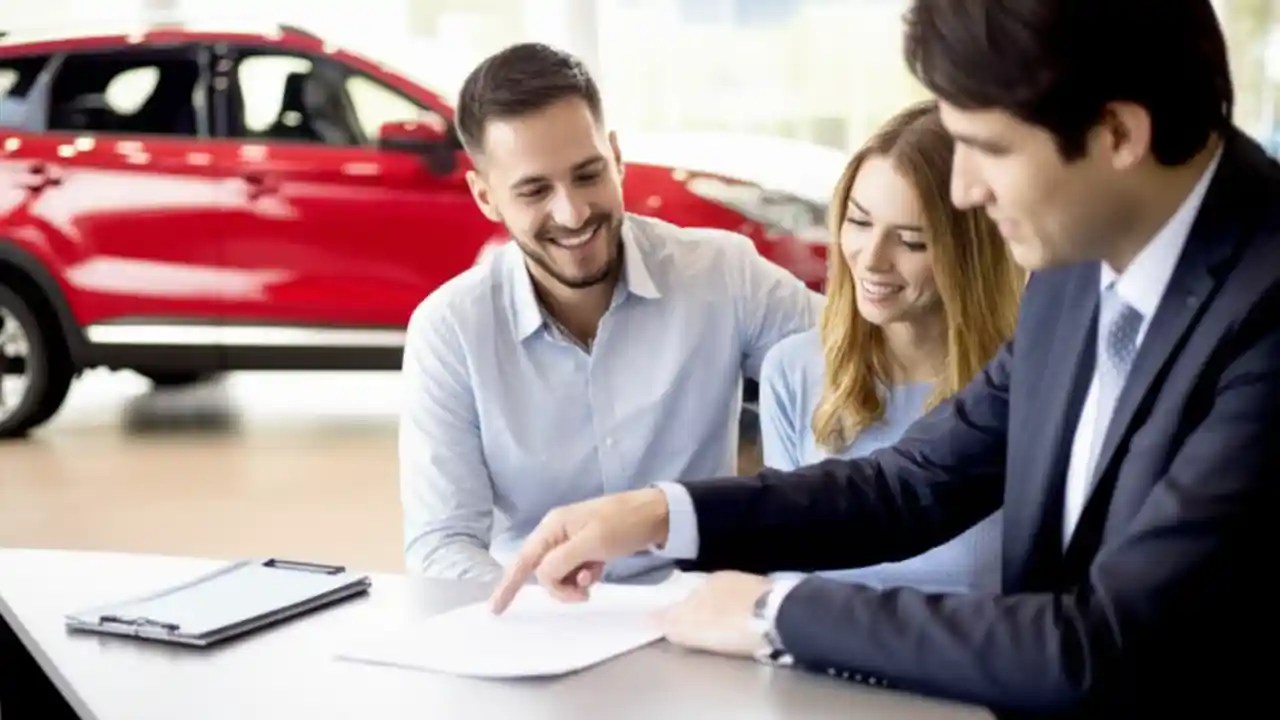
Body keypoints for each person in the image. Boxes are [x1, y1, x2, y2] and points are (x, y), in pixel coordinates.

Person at [489, 1, 1280, 715]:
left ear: (1117, 135)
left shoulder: (1265, 304)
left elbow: (1102, 643)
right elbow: (914, 483)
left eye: (987, 148)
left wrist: (775, 613)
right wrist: (661, 515)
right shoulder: (1076, 264)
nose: (964, 190)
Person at [399, 42, 821, 583]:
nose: (572, 212)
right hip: (541, 623)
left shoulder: (723, 273)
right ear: (485, 196)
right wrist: (542, 618)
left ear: (616, 158)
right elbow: (442, 546)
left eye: (587, 175)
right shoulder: (450, 330)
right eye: (534, 190)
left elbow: (861, 359)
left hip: (703, 617)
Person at [759, 100, 1022, 593]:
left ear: (971, 254)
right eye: (859, 222)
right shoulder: (793, 370)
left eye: (911, 241)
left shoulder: (1024, 385)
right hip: (816, 664)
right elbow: (787, 578)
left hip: (970, 666)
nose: (872, 259)